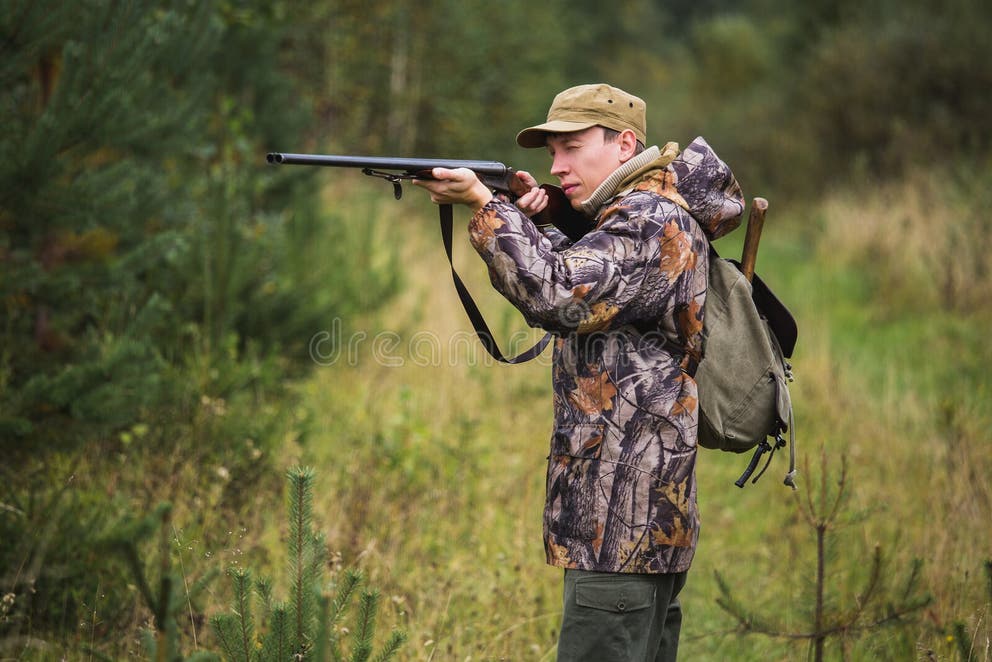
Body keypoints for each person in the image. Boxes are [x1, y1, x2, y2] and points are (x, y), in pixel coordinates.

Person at [413, 83, 744, 661]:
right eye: (552, 154)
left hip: (619, 525)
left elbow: (560, 294)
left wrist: (485, 205)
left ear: (625, 144)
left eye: (571, 148)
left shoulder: (647, 218)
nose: (557, 167)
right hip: (637, 521)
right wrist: (541, 219)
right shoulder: (640, 214)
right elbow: (600, 287)